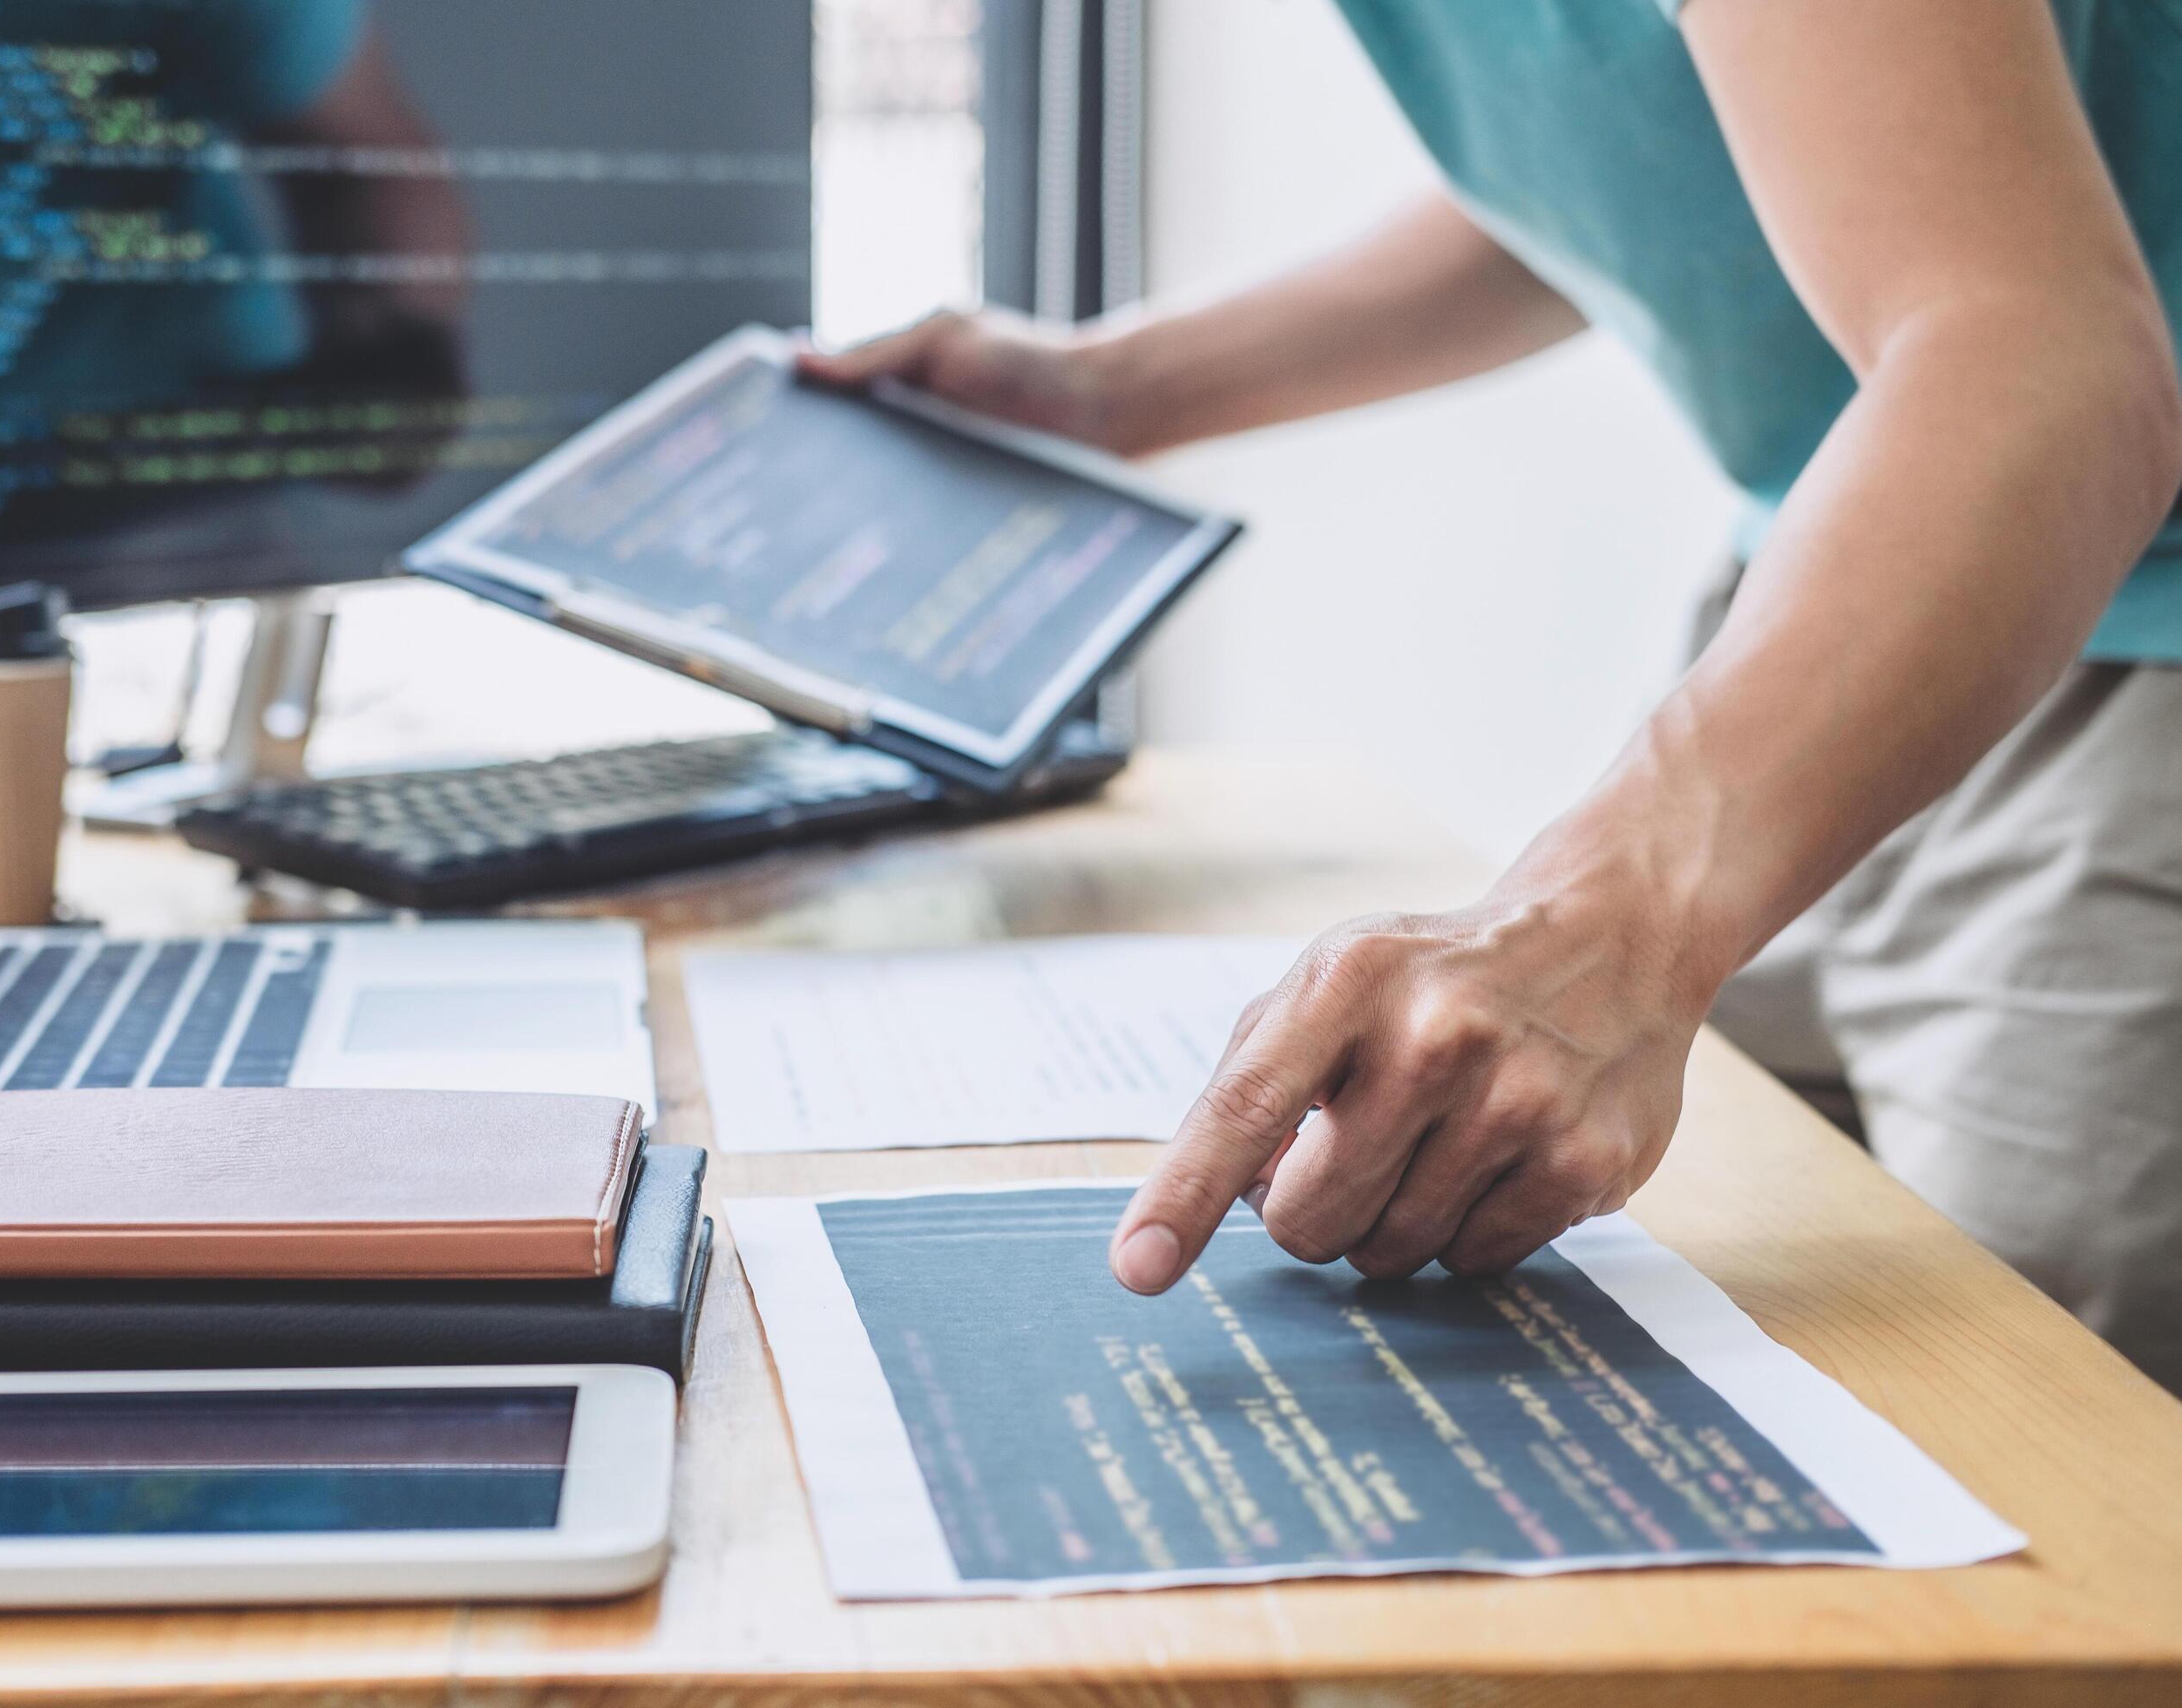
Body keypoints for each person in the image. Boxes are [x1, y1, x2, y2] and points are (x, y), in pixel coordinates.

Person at [804, 0, 2182, 1391]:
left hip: (2134, 671)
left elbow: (2052, 369)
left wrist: (1615, 919)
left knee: (2044, 1437)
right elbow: (1667, 140)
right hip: (1823, 614)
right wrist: (1115, 392)